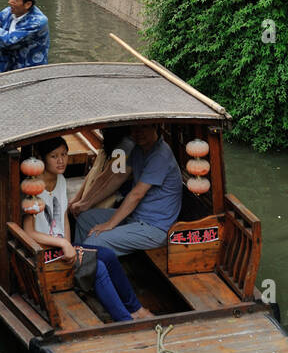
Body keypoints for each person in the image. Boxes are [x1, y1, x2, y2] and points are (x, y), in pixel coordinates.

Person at [23, 136, 150, 323]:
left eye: (64, 155)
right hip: (43, 253)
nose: (61, 160)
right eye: (54, 156)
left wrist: (68, 245)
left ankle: (135, 309)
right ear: (42, 159)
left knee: (108, 255)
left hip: (61, 248)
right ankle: (125, 321)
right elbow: (29, 232)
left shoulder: (61, 180)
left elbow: (64, 218)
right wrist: (63, 244)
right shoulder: (32, 187)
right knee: (97, 268)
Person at [72, 121, 182, 256]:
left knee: (97, 240)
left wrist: (109, 225)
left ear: (156, 127)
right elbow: (119, 177)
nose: (138, 132)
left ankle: (89, 270)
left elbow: (137, 194)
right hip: (136, 217)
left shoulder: (160, 155)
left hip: (155, 228)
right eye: (134, 127)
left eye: (144, 126)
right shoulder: (138, 149)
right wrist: (87, 203)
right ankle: (81, 266)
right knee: (85, 219)